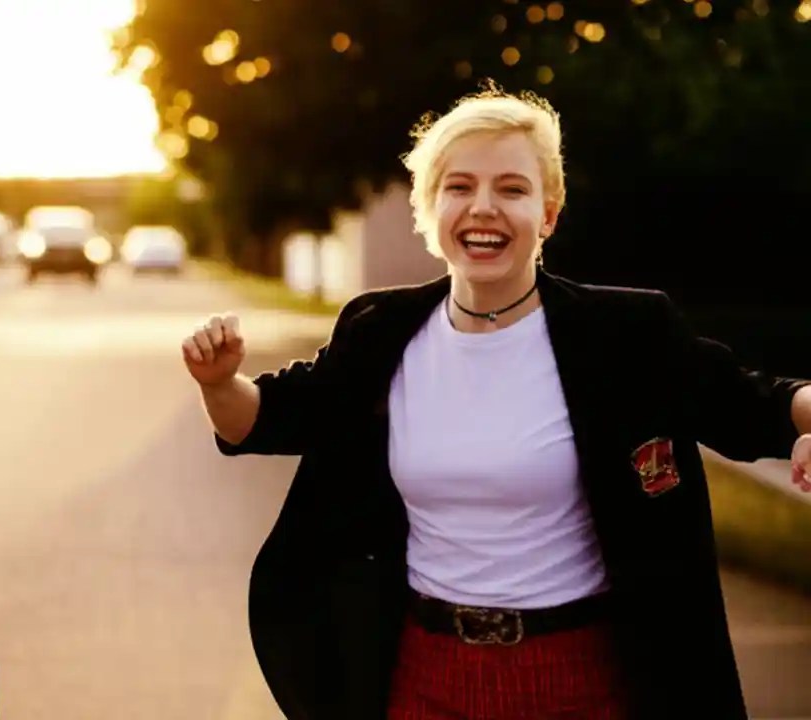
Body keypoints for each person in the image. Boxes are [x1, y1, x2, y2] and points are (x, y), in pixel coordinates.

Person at [180, 86, 811, 719]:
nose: (483, 208)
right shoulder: (379, 332)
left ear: (548, 214)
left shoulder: (624, 331)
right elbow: (263, 417)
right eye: (458, 187)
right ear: (429, 209)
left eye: (512, 189)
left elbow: (755, 403)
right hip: (423, 676)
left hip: (585, 677)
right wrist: (218, 382)